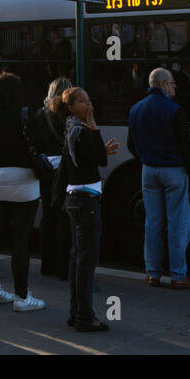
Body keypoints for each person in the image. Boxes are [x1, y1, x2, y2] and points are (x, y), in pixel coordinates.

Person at [0, 72, 45, 311]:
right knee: (20, 240)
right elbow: (39, 147)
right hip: (24, 179)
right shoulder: (27, 116)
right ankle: (22, 296)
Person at [128, 68, 190, 289]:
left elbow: (132, 145)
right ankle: (178, 275)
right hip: (173, 171)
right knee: (178, 223)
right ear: (161, 84)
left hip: (148, 170)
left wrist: (146, 158)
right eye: (171, 83)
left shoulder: (135, 109)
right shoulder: (174, 110)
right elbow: (187, 147)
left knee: (152, 222)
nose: (174, 87)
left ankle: (153, 273)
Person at [58, 86, 120, 332]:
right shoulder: (81, 131)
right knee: (86, 260)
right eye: (82, 101)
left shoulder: (72, 129)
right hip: (85, 201)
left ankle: (77, 313)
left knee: (78, 259)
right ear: (71, 107)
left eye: (89, 100)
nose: (89, 105)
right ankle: (85, 316)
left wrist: (99, 147)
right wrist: (94, 126)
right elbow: (100, 161)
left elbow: (94, 158)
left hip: (77, 199)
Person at [34, 77, 73, 278]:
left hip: (46, 169)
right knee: (64, 217)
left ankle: (46, 265)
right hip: (65, 171)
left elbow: (34, 143)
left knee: (48, 216)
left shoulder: (39, 115)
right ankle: (63, 268)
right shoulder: (69, 115)